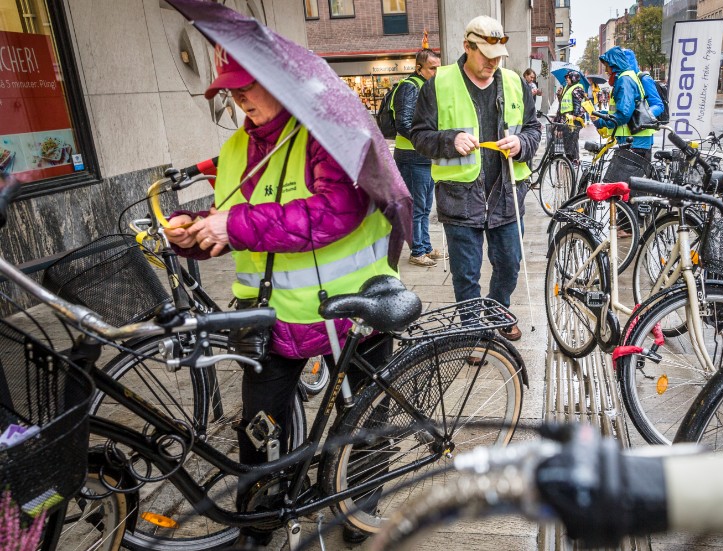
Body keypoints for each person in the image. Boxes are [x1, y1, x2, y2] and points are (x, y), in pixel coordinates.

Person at [164, 49, 397, 547]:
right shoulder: (233, 152)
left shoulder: (326, 136)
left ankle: (361, 502)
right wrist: (201, 233)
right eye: (230, 87)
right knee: (257, 430)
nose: (237, 95)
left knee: (363, 417)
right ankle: (261, 518)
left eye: (248, 84)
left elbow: (337, 210)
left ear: (281, 84)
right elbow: (236, 223)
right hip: (269, 317)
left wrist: (234, 224)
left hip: (352, 307)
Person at [411, 15, 542, 342]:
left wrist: (522, 143)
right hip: (460, 197)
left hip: (507, 195)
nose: (494, 62)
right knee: (466, 275)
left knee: (509, 264)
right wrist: (448, 140)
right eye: (486, 54)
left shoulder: (514, 82)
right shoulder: (437, 85)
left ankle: (498, 313)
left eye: (499, 56)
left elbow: (534, 129)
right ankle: (473, 330)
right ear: (467, 46)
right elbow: (419, 136)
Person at [393, 48, 444, 267]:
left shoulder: (426, 86)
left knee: (424, 206)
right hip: (412, 156)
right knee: (416, 205)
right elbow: (404, 123)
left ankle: (425, 245)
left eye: (438, 67)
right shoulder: (409, 87)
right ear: (419, 68)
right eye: (432, 68)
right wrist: (426, 142)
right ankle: (417, 250)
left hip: (424, 156)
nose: (436, 72)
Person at [592, 45, 656, 160]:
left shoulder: (624, 80)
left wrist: (602, 122)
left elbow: (624, 114)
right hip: (634, 139)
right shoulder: (627, 77)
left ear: (614, 65)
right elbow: (627, 107)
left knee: (617, 177)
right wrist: (604, 113)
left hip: (634, 140)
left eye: (607, 66)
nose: (606, 70)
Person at [624, 48, 665, 121]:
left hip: (643, 129)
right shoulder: (623, 80)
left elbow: (658, 106)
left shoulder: (644, 79)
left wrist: (638, 117)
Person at [557, 71, 588, 163]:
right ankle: (571, 159)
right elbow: (563, 103)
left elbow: (577, 104)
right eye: (566, 77)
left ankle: (573, 160)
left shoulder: (577, 89)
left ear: (574, 78)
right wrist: (559, 95)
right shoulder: (567, 88)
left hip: (574, 120)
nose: (566, 79)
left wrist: (574, 116)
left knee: (572, 140)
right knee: (569, 139)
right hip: (567, 118)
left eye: (568, 77)